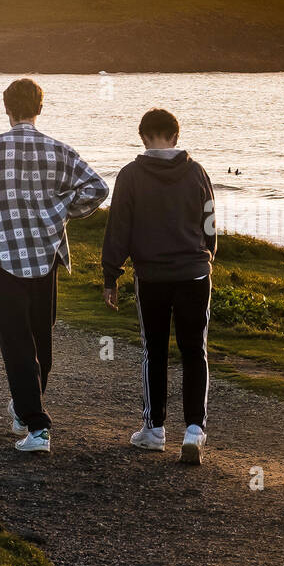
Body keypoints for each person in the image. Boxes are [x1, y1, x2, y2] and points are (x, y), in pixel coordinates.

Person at [0, 78, 108, 454]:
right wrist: (61, 211)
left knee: (17, 341)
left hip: (2, 256)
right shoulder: (59, 150)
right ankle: (30, 416)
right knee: (41, 338)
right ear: (40, 108)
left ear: (7, 109)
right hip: (45, 254)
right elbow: (98, 188)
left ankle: (34, 425)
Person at [101, 108, 216, 464]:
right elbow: (210, 218)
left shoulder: (131, 175)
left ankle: (153, 430)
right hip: (195, 274)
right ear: (176, 137)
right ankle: (194, 429)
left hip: (151, 277)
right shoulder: (197, 172)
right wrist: (208, 253)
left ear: (143, 136)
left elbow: (118, 228)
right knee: (195, 349)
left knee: (155, 350)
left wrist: (111, 276)